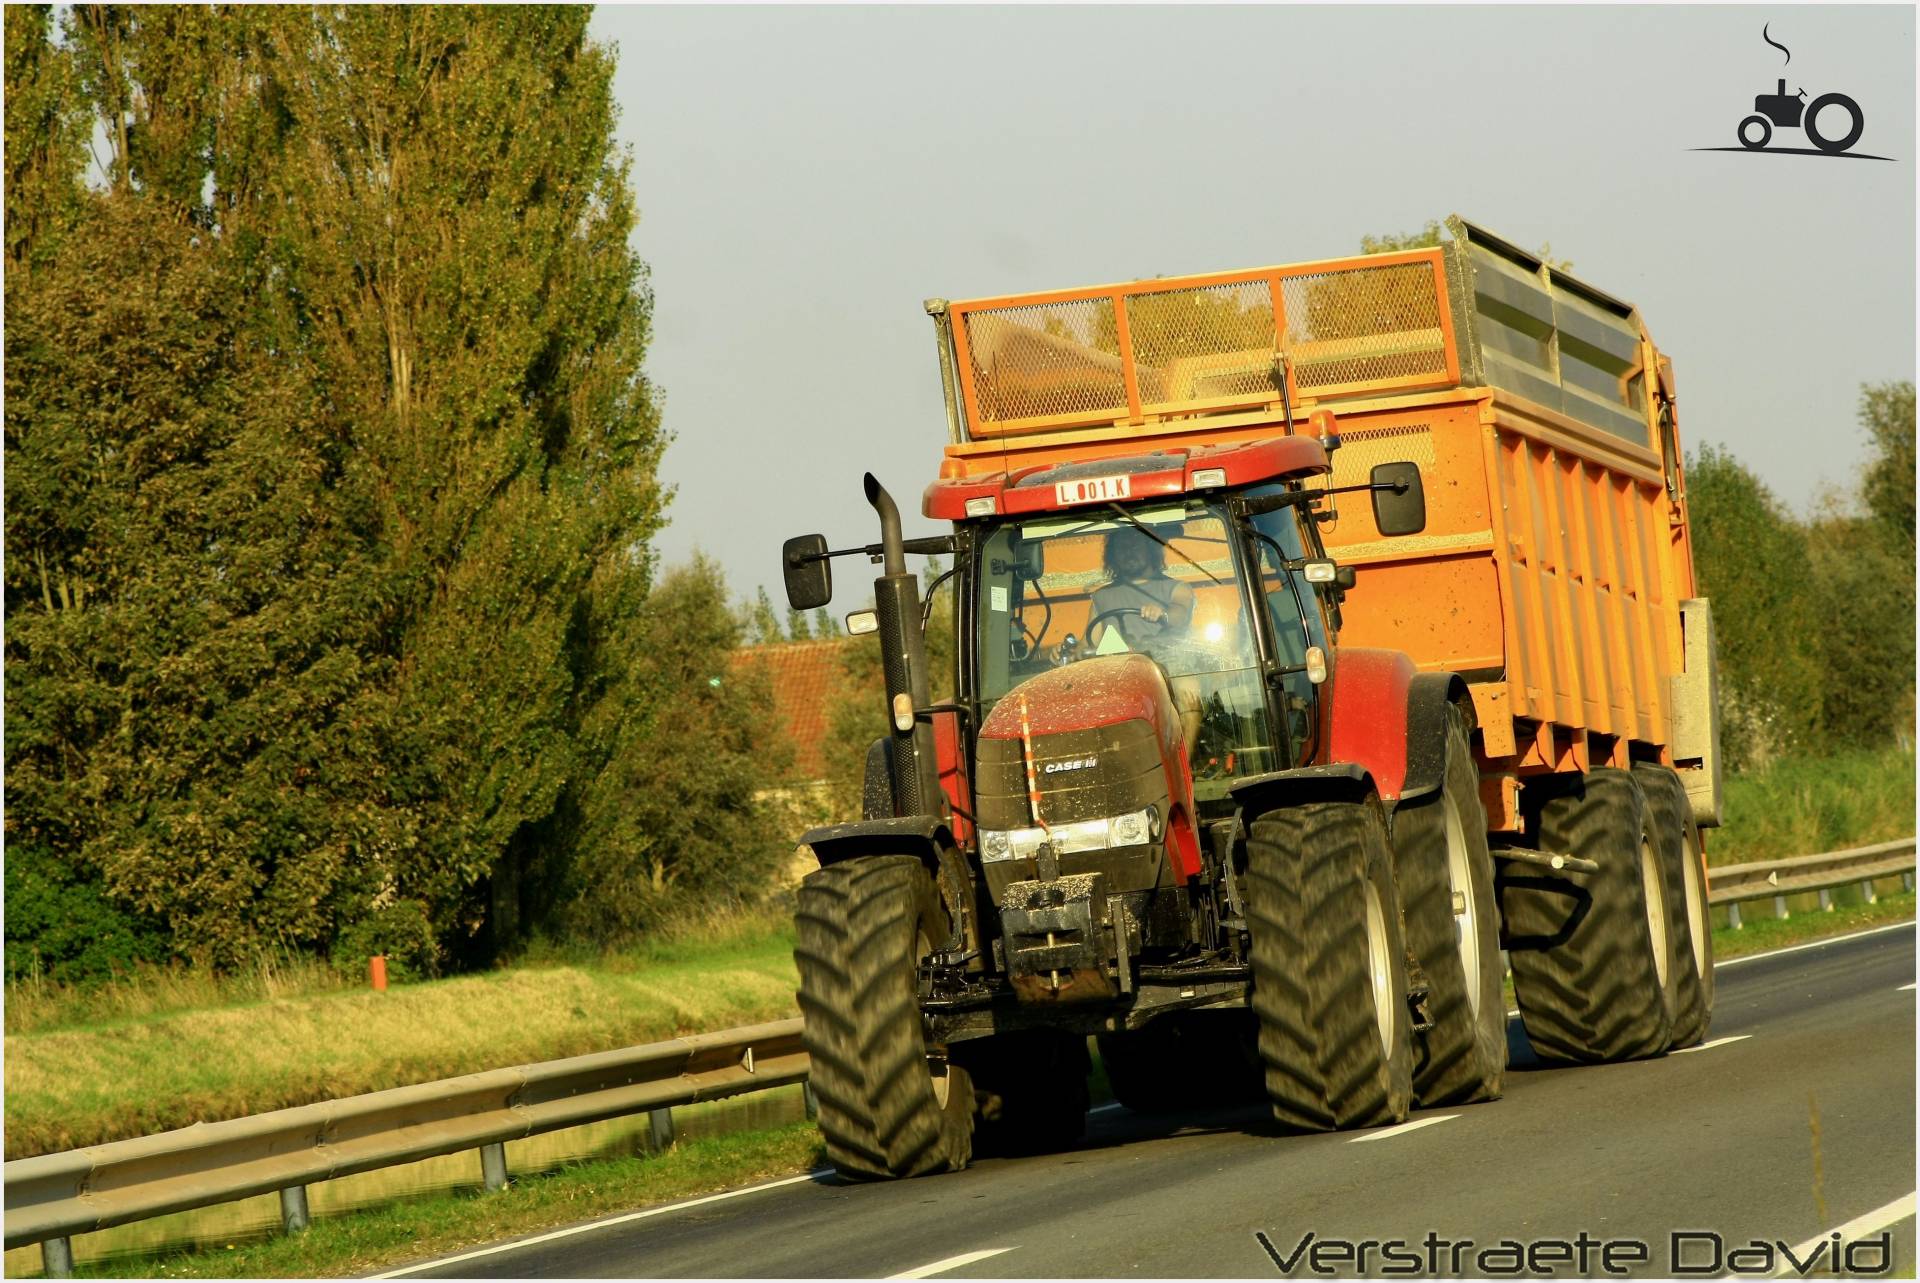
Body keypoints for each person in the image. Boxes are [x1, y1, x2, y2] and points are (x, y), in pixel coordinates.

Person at [1086, 526, 1205, 764]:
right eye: (1121, 548)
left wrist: (1163, 613)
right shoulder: (1101, 597)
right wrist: (1066, 650)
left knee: (1188, 690)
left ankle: (1182, 765)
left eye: (1134, 544)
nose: (1128, 552)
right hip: (1122, 669)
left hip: (1171, 662)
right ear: (1112, 556)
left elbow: (1179, 612)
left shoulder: (1177, 588)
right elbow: (1090, 642)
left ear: (1150, 549)